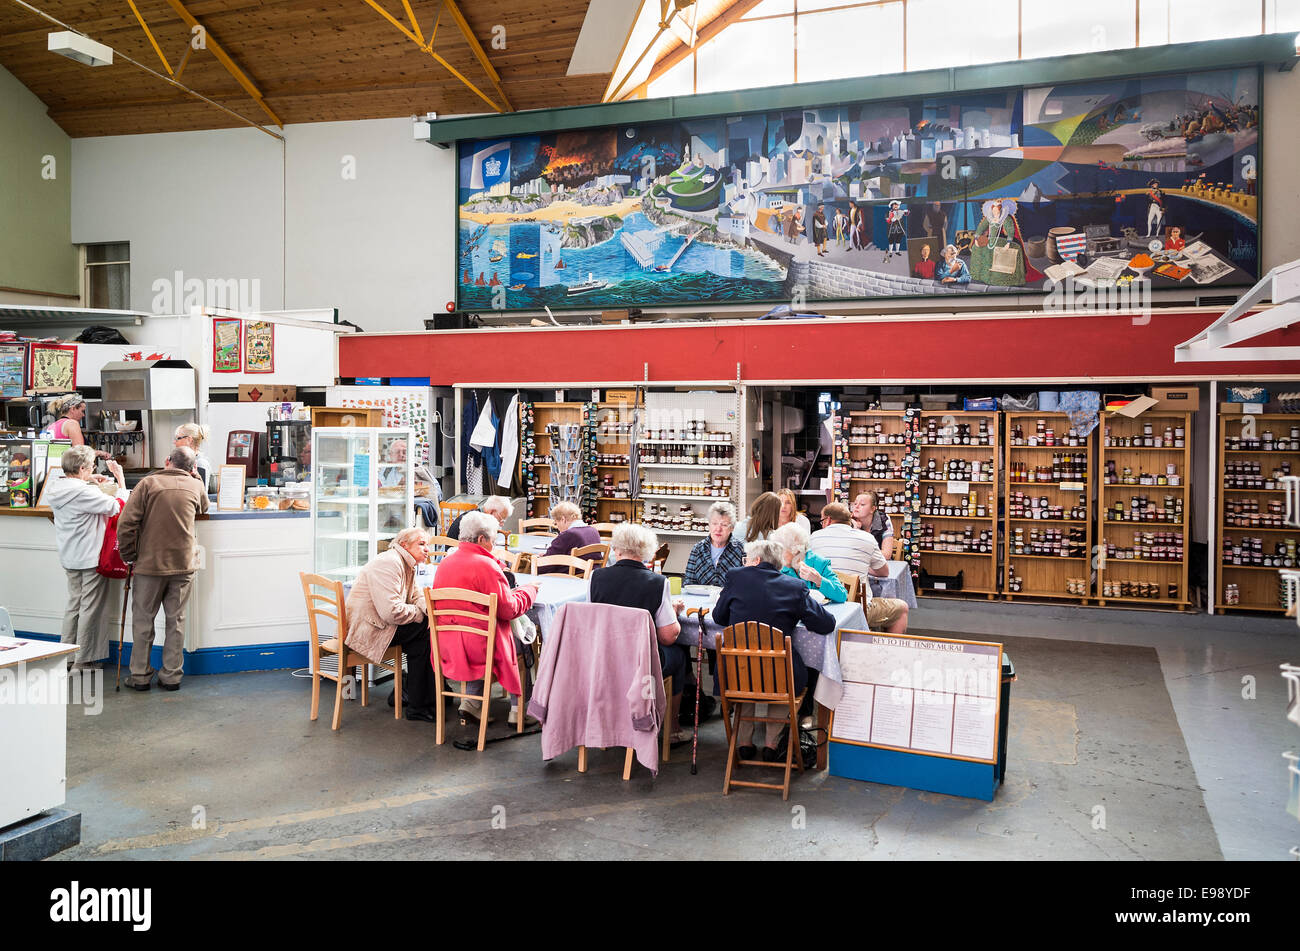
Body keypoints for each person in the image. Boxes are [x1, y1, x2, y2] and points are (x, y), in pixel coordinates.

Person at [711, 538, 835, 762]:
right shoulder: (794, 586)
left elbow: (718, 617)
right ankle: (771, 743)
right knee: (780, 673)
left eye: (748, 558)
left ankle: (744, 743)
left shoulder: (735, 577)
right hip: (780, 677)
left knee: (745, 668)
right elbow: (826, 624)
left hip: (735, 675)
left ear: (756, 559)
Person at [430, 511, 538, 722]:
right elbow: (508, 610)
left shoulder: (445, 563)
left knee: (479, 630)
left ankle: (471, 701)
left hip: (446, 645)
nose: (494, 545)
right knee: (523, 640)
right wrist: (530, 591)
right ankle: (518, 711)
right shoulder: (486, 566)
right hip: (479, 649)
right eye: (493, 540)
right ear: (482, 539)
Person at [117, 446, 209, 691]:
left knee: (143, 621)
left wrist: (129, 556)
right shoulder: (195, 485)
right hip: (183, 564)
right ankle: (171, 676)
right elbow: (204, 507)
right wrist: (196, 476)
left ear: (167, 461)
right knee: (176, 621)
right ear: (192, 468)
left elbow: (126, 524)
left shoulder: (148, 484)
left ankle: (139, 676)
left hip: (149, 564)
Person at [590, 523, 690, 744]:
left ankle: (612, 719)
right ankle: (672, 728)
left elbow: (595, 621)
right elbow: (667, 636)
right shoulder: (657, 582)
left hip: (605, 661)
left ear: (617, 549)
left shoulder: (596, 578)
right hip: (641, 665)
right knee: (679, 655)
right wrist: (672, 612)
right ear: (647, 551)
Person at [344, 527, 438, 722]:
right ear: (404, 545)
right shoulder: (390, 563)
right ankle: (419, 698)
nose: (427, 549)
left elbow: (416, 595)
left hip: (378, 623)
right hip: (369, 628)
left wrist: (426, 610)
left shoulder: (405, 562)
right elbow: (391, 612)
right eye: (421, 544)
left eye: (427, 545)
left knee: (425, 637)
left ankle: (415, 696)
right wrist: (423, 614)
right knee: (428, 633)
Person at [47, 446, 128, 670]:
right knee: (89, 608)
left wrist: (89, 479)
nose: (93, 469)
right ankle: (83, 661)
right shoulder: (84, 492)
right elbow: (117, 507)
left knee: (73, 606)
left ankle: (66, 656)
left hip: (69, 556)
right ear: (82, 468)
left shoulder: (55, 488)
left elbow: (77, 488)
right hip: (90, 557)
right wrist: (120, 480)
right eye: (91, 466)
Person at [807, 502, 908, 634]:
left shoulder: (813, 538)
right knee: (902, 609)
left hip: (820, 605)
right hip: (857, 607)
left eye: (822, 521)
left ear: (828, 520)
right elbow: (884, 572)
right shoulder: (867, 538)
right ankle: (886, 652)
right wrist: (864, 567)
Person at [771, 522, 846, 603]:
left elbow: (842, 596)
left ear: (795, 549)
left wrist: (818, 580)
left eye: (780, 550)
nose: (777, 555)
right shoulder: (779, 567)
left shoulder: (819, 563)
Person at [969, 198, 1033, 286]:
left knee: (1004, 251)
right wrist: (976, 238)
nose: (995, 213)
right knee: (977, 248)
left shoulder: (1005, 218)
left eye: (996, 211)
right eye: (993, 211)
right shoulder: (989, 217)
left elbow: (1010, 230)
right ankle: (980, 275)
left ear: (1000, 210)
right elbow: (981, 228)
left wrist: (1008, 243)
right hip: (990, 239)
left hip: (1003, 238)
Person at [683, 500, 745, 588]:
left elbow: (745, 583)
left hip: (730, 600)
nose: (718, 529)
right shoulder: (698, 549)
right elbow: (688, 583)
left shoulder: (741, 550)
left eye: (724, 525)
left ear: (732, 528)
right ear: (709, 525)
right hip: (700, 600)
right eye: (714, 524)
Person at [538, 500, 601, 573]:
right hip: (591, 575)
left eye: (556, 523)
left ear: (563, 519)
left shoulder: (568, 535)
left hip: (569, 578)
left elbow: (545, 567)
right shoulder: (594, 531)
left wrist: (540, 559)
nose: (557, 527)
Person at [40, 393, 109, 458]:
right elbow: (80, 453)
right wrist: (99, 453)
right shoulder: (71, 424)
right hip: (70, 469)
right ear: (73, 409)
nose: (83, 415)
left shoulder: (52, 426)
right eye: (82, 411)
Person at [851, 491, 895, 558]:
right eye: (855, 503)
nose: (856, 507)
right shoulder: (848, 520)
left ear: (872, 509)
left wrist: (861, 553)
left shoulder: (884, 520)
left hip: (880, 565)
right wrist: (855, 529)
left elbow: (886, 554)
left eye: (862, 504)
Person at [173, 423, 212, 490]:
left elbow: (200, 495)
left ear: (189, 440)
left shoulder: (200, 463)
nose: (174, 442)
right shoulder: (184, 461)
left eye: (178, 438)